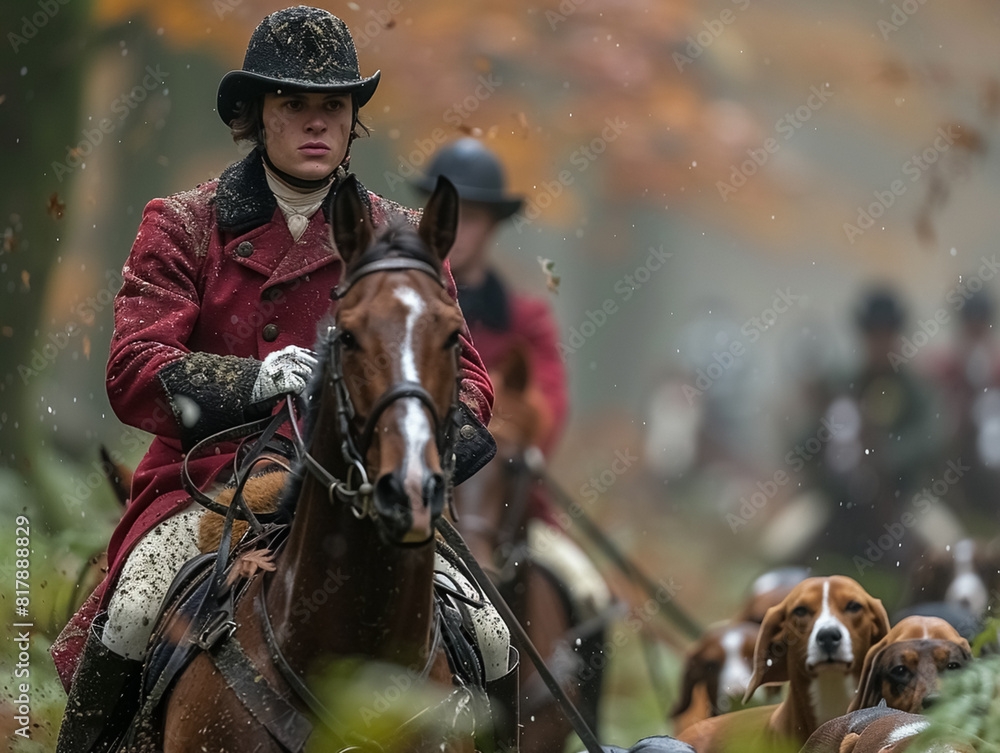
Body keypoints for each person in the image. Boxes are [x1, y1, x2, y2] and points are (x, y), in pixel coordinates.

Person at [53, 9, 495, 751]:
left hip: (369, 486)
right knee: (131, 610)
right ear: (258, 114)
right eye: (294, 103)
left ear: (353, 119)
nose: (317, 121)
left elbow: (470, 381)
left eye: (333, 105)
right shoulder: (184, 223)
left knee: (490, 635)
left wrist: (412, 434)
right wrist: (252, 381)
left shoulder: (404, 237)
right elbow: (133, 368)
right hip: (207, 486)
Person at [413, 139, 611, 727]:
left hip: (506, 502)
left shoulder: (525, 317)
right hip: (414, 492)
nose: (456, 230)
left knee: (588, 592)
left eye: (471, 217)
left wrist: (506, 443)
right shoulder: (400, 300)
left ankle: (589, 729)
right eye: (446, 214)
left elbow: (549, 403)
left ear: (493, 225)